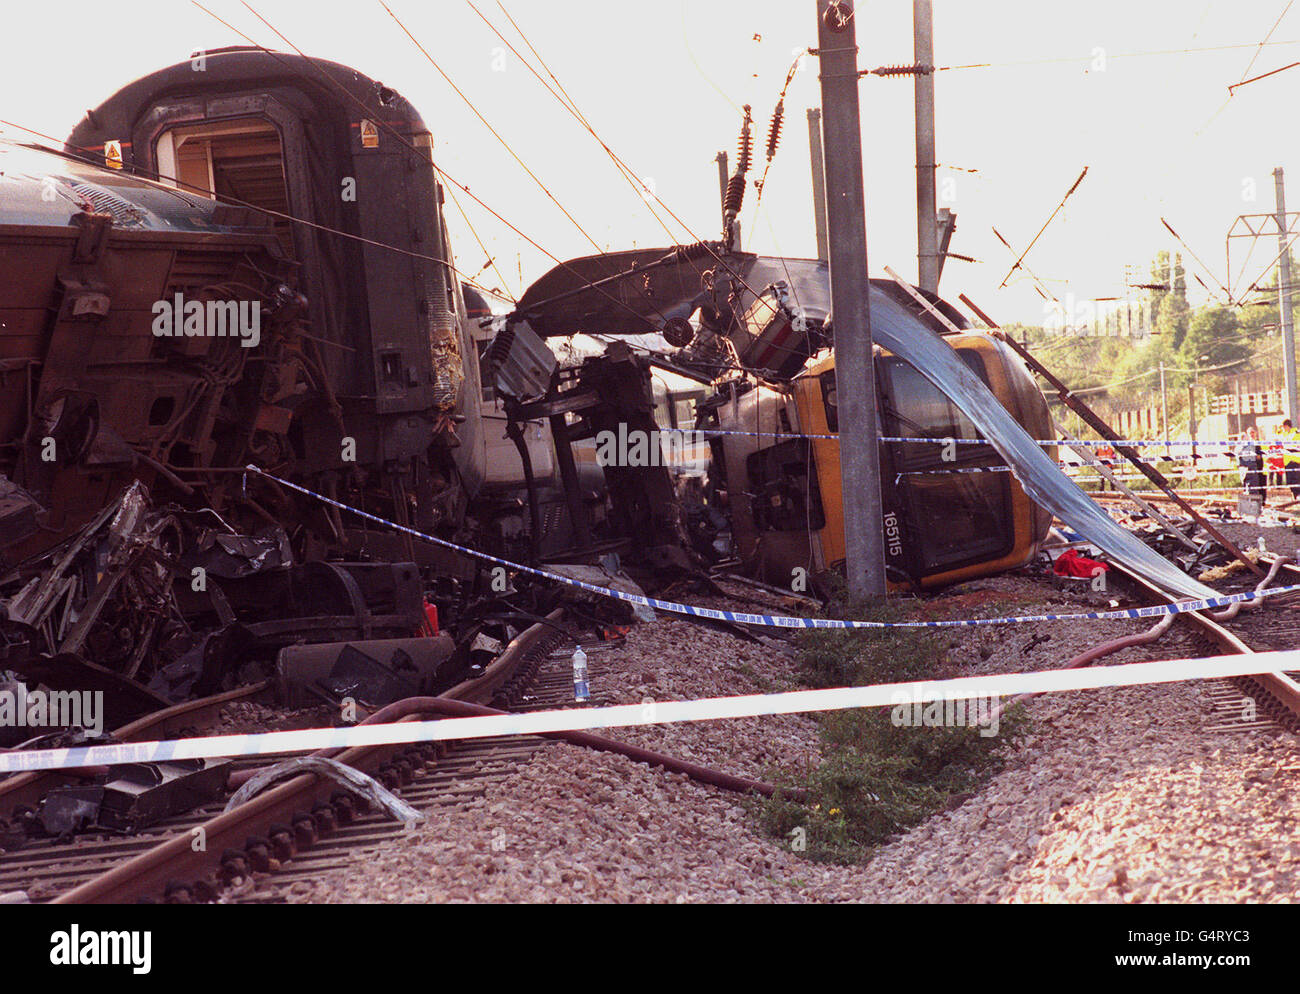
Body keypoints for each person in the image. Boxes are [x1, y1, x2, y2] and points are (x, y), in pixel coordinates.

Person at [1237, 426, 1265, 502]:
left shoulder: (1254, 443)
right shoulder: (1240, 447)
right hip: (1247, 468)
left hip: (1255, 467)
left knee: (1255, 486)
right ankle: (1251, 503)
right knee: (1249, 487)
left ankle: (1257, 503)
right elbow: (1238, 455)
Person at [1283, 419, 1300, 501]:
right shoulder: (1284, 435)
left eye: (1284, 427)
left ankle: (1297, 495)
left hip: (1295, 460)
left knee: (1296, 479)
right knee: (1289, 480)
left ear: (1287, 426)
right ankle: (1294, 494)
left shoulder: (1296, 433)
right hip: (1287, 460)